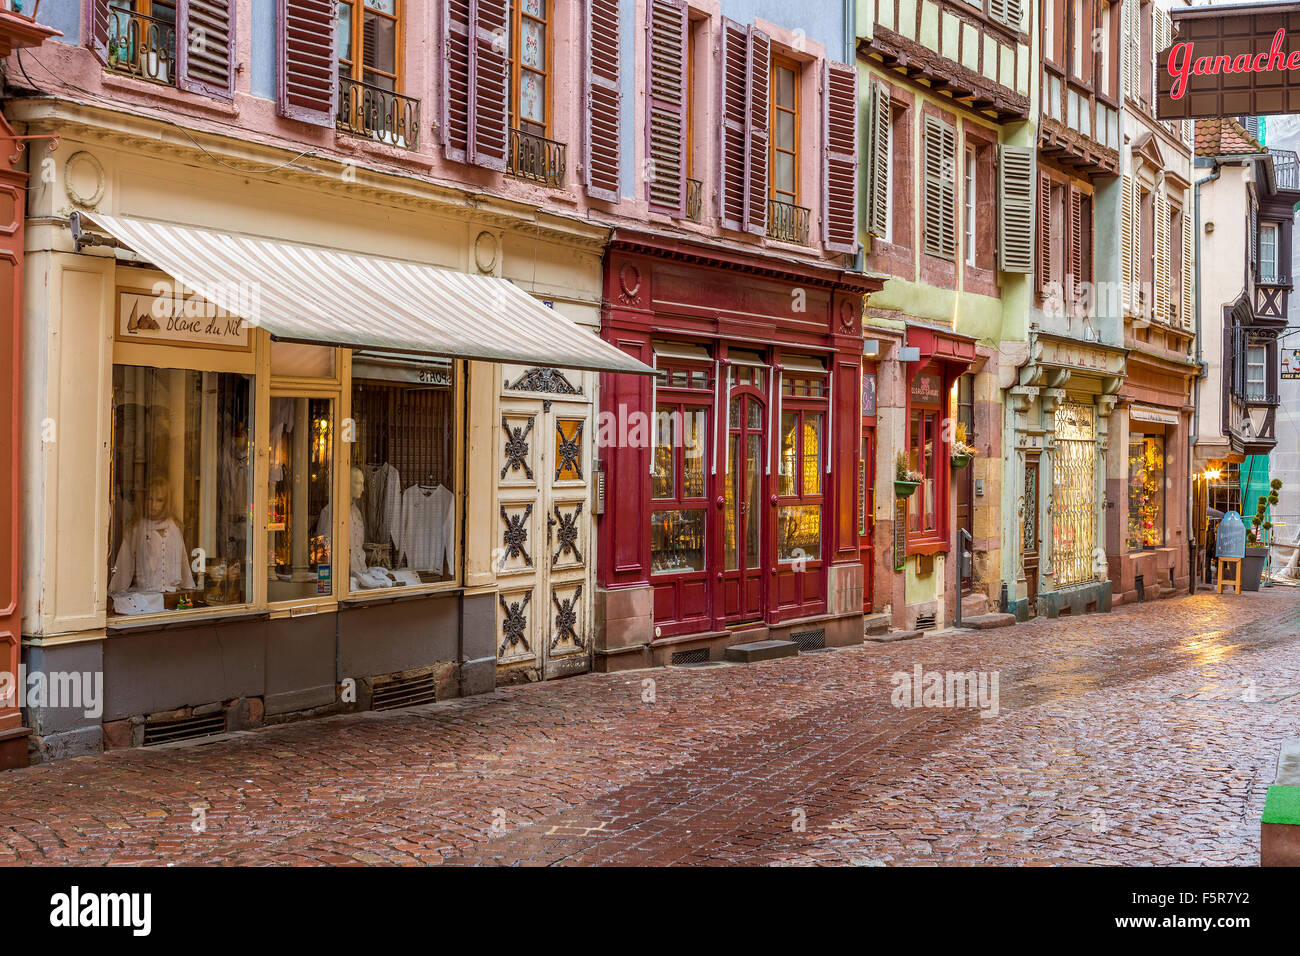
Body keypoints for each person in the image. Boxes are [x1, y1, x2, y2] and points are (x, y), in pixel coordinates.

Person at [109, 477, 196, 594]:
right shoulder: (137, 528)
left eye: (159, 500)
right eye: (150, 499)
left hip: (171, 596)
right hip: (145, 598)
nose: (153, 504)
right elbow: (125, 563)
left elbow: (183, 561)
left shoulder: (174, 528)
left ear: (166, 502)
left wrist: (188, 588)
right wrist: (115, 592)